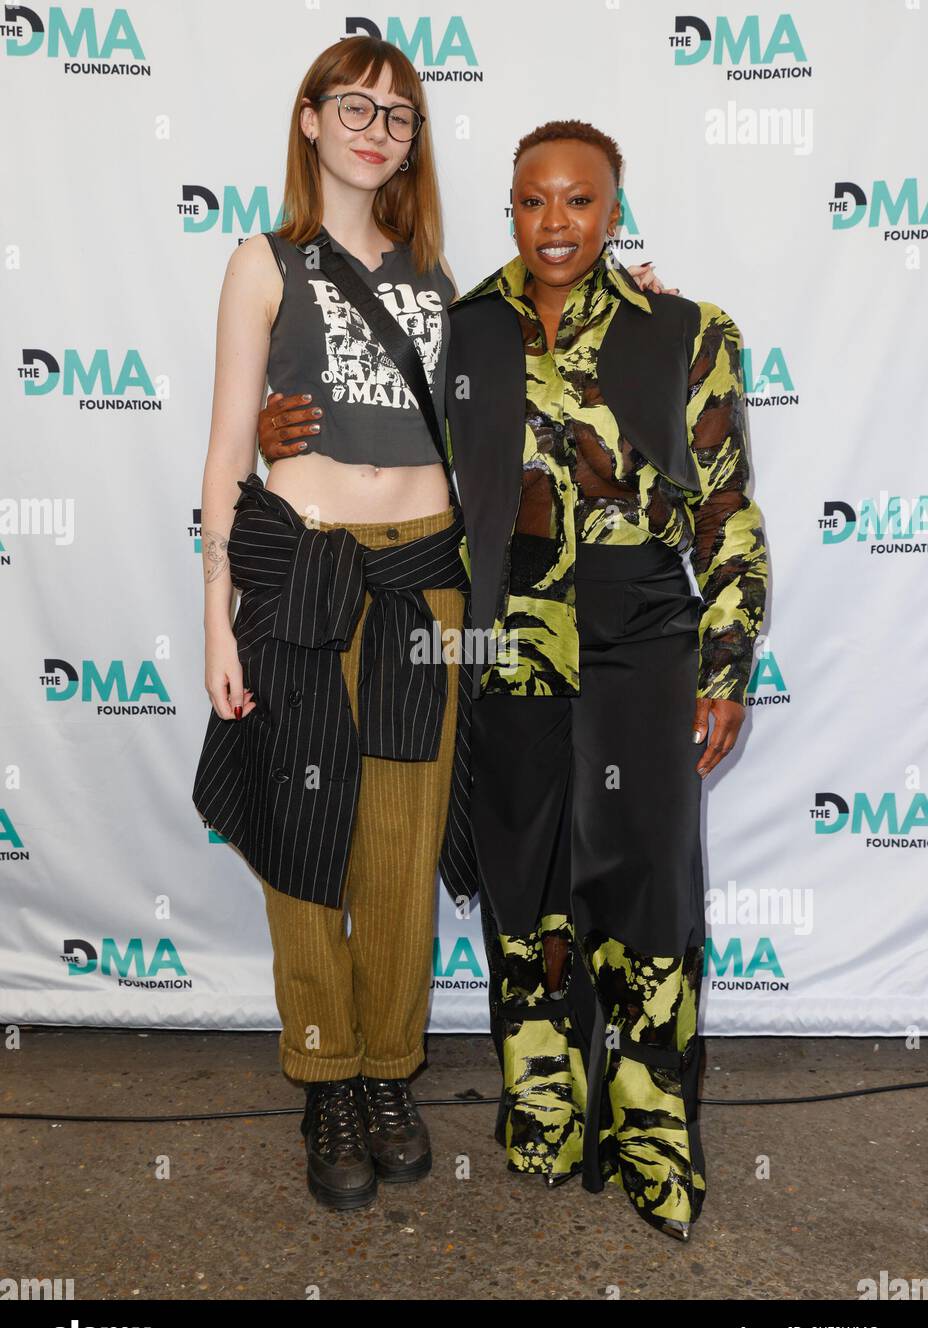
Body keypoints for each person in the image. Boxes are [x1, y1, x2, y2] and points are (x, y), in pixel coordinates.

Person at [445, 120, 769, 1242]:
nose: (554, 224)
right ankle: (544, 1105)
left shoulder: (685, 330)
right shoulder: (462, 329)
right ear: (512, 208)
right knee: (526, 887)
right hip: (506, 642)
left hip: (642, 638)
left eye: (578, 202)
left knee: (647, 895)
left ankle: (650, 1129)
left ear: (613, 207)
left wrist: (726, 663)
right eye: (532, 201)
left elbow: (727, 510)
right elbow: (400, 473)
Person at [191, 34, 475, 1211]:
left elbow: (533, 379)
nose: (377, 127)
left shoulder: (445, 282)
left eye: (399, 114)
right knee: (309, 840)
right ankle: (323, 1074)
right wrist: (215, 615)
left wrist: (645, 298)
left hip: (426, 580)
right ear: (309, 121)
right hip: (305, 576)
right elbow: (221, 448)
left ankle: (387, 1070)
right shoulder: (262, 261)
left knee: (402, 842)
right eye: (353, 106)